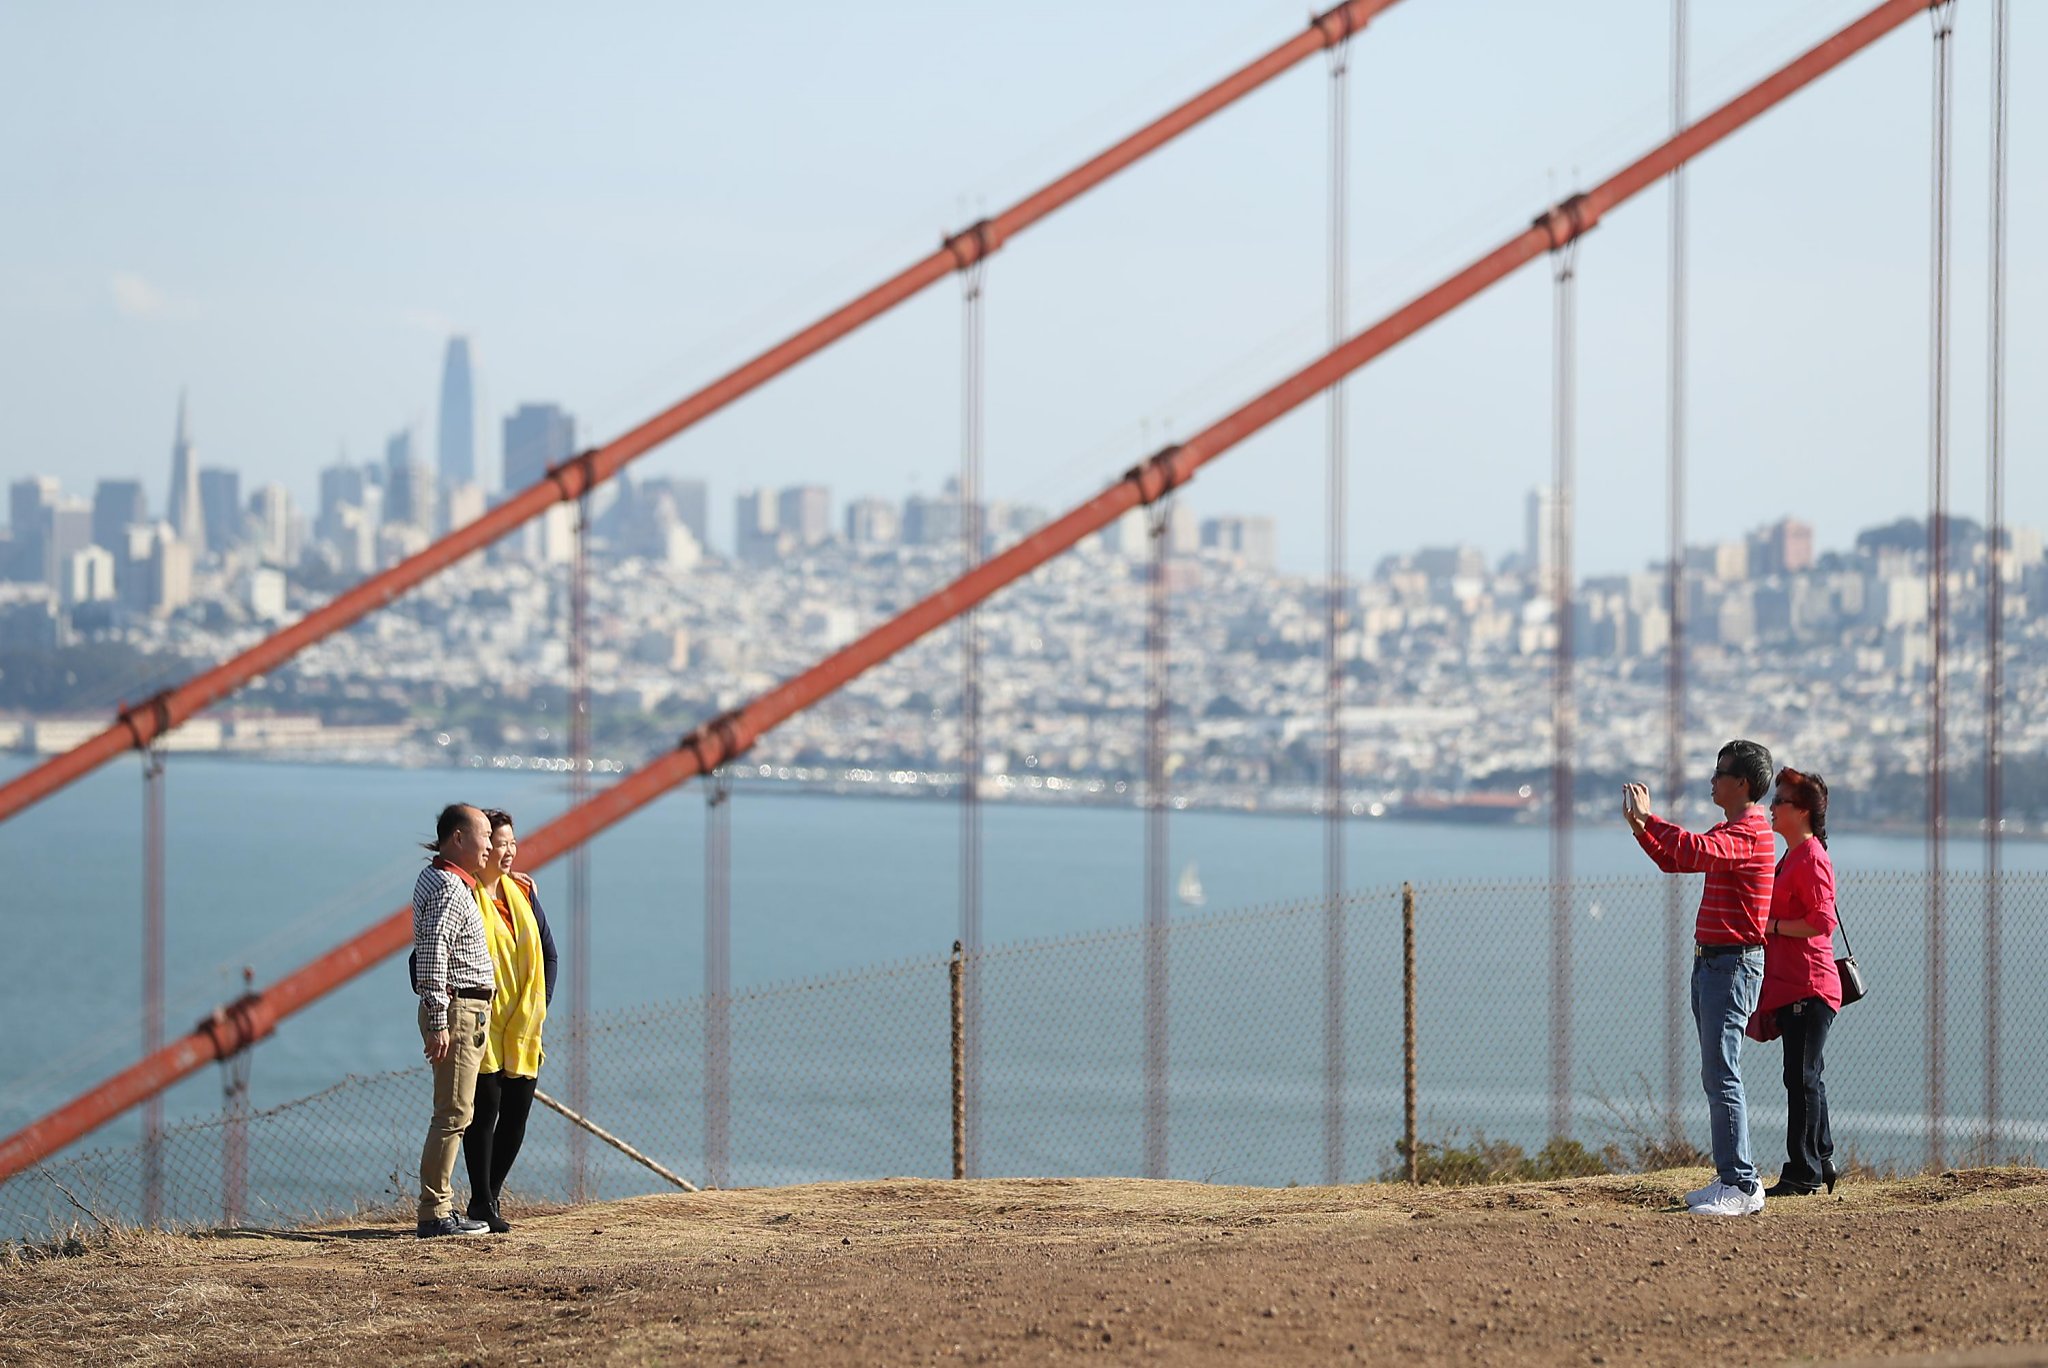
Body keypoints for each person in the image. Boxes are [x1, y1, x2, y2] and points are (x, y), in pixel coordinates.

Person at [1623, 739, 1776, 1218]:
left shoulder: (1750, 833)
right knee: (1717, 1073)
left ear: (1743, 784)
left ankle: (1742, 1185)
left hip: (1731, 966)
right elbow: (1676, 860)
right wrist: (1640, 829)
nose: (1712, 778)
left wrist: (1650, 821)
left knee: (1723, 1073)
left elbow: (1695, 849)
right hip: (1712, 964)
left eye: (1721, 770)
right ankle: (1733, 1176)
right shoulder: (1733, 829)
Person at [460, 809, 558, 1234]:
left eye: (513, 843)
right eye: (501, 843)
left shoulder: (523, 893)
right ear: (482, 848)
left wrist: (541, 1004)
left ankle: (490, 1195)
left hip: (523, 1025)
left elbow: (549, 953)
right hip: (483, 1021)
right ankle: (481, 1200)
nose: (509, 851)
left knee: (516, 1114)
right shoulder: (463, 896)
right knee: (484, 1114)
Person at [411, 802, 498, 1238]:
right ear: (459, 838)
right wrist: (439, 1017)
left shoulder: (442, 879)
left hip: (462, 1010)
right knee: (453, 1112)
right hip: (459, 1010)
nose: (490, 845)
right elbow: (433, 952)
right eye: (485, 835)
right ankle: (435, 1213)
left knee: (455, 1110)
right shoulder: (448, 886)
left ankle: (438, 1208)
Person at [1754, 767, 1842, 1197]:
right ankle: (1821, 1159)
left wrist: (1772, 926)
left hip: (1810, 985)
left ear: (1802, 811)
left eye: (1781, 801)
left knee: (1801, 1077)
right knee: (1808, 1076)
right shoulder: (1790, 856)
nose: (1772, 807)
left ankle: (1801, 1172)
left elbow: (1821, 921)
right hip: (1793, 985)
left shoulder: (1810, 857)